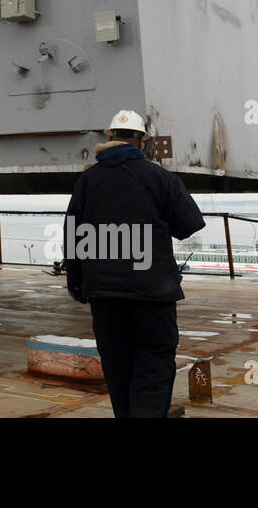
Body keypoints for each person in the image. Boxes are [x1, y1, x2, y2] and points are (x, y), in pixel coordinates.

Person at [65, 110, 205, 418]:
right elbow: (190, 224)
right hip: (152, 294)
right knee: (154, 364)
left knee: (117, 367)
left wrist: (77, 284)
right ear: (141, 140)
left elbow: (73, 235)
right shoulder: (159, 178)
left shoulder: (87, 180)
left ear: (110, 137)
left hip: (105, 297)